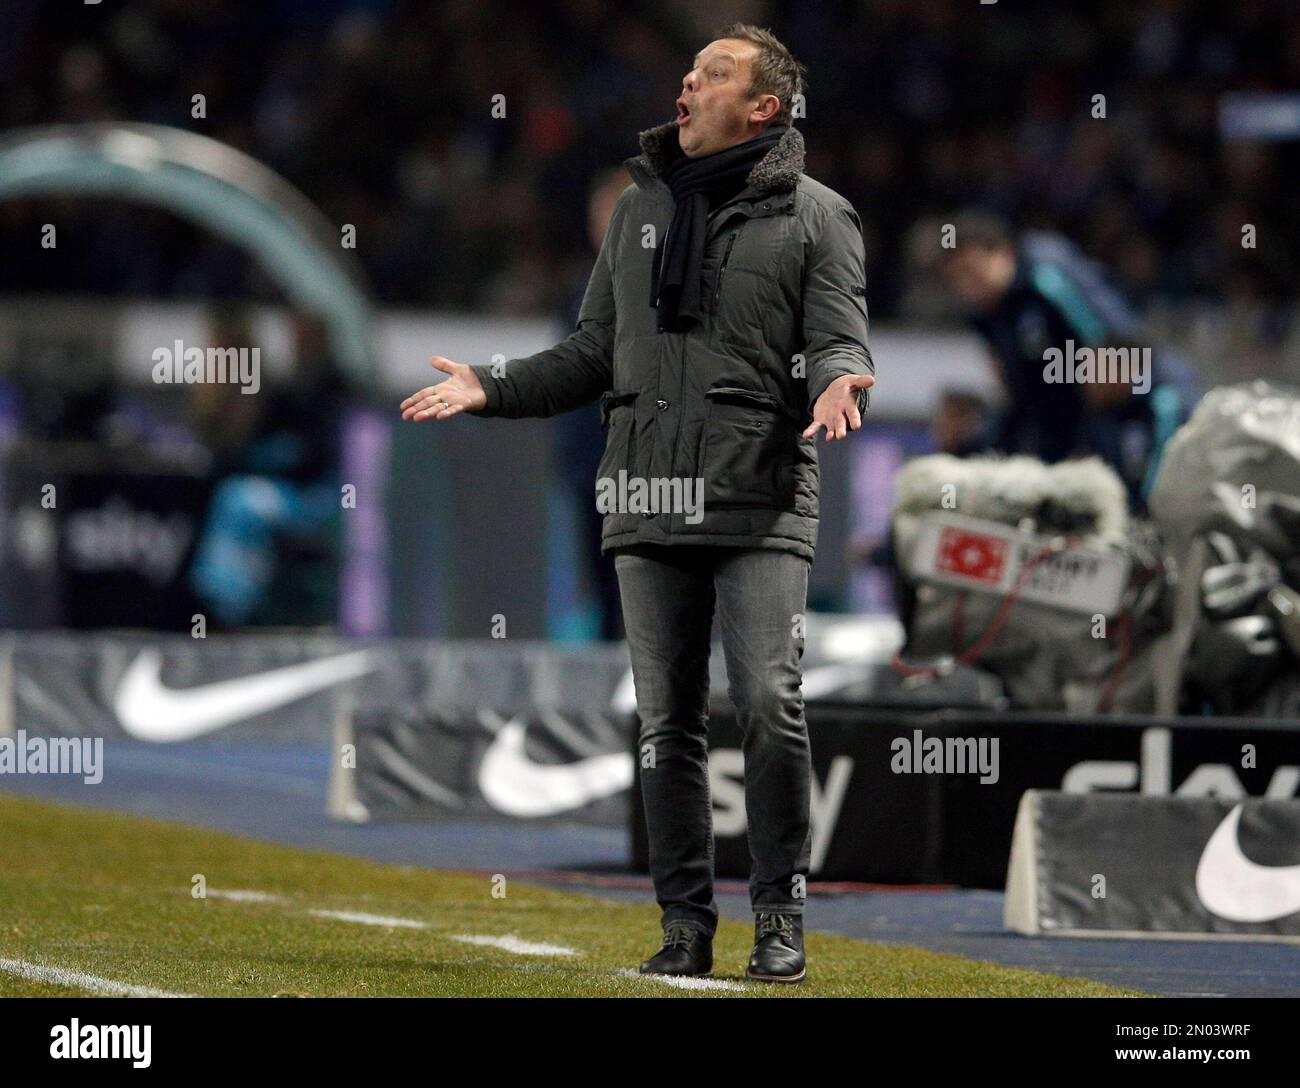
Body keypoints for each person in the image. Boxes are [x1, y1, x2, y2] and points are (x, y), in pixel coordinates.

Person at [401, 23, 874, 983]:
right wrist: (494, 385)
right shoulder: (636, 211)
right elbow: (589, 354)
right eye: (691, 70)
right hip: (645, 498)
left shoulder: (821, 216)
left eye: (713, 75)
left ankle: (779, 918)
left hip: (759, 496)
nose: (687, 84)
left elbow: (839, 334)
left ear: (763, 107)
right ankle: (685, 925)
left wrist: (841, 380)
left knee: (771, 705)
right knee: (667, 725)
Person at [935, 211, 1197, 509]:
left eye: (972, 271)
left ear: (1002, 253)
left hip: (1112, 402)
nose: (967, 286)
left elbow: (1106, 343)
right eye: (956, 279)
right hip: (1060, 410)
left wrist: (1098, 401)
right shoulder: (988, 316)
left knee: (1139, 491)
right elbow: (1017, 390)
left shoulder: (1046, 276)